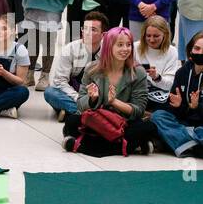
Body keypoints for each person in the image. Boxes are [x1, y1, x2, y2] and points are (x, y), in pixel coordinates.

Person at [62, 27, 150, 155]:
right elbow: (80, 104)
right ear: (109, 46)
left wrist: (115, 102)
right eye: (120, 45)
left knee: (147, 128)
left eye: (128, 44)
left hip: (123, 123)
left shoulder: (139, 72)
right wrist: (92, 99)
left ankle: (80, 146)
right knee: (71, 122)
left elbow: (139, 110)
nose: (125, 49)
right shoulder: (92, 69)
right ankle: (128, 146)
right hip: (98, 119)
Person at [151, 30, 203, 163]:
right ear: (190, 50)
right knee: (158, 116)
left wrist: (198, 107)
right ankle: (202, 151)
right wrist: (178, 106)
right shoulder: (182, 72)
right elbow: (172, 110)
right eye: (197, 48)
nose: (200, 53)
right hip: (185, 124)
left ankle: (175, 142)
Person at [43, 10, 109, 120]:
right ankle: (88, 114)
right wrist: (79, 98)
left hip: (97, 96)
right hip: (73, 94)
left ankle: (72, 112)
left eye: (93, 30)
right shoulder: (70, 49)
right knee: (50, 93)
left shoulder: (109, 52)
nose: (87, 33)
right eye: (85, 28)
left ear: (103, 35)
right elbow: (60, 81)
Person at [136, 15, 180, 114]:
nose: (151, 40)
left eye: (156, 36)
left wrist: (157, 77)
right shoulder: (135, 47)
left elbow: (170, 85)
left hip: (160, 95)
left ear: (165, 34)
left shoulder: (172, 52)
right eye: (148, 36)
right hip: (137, 92)